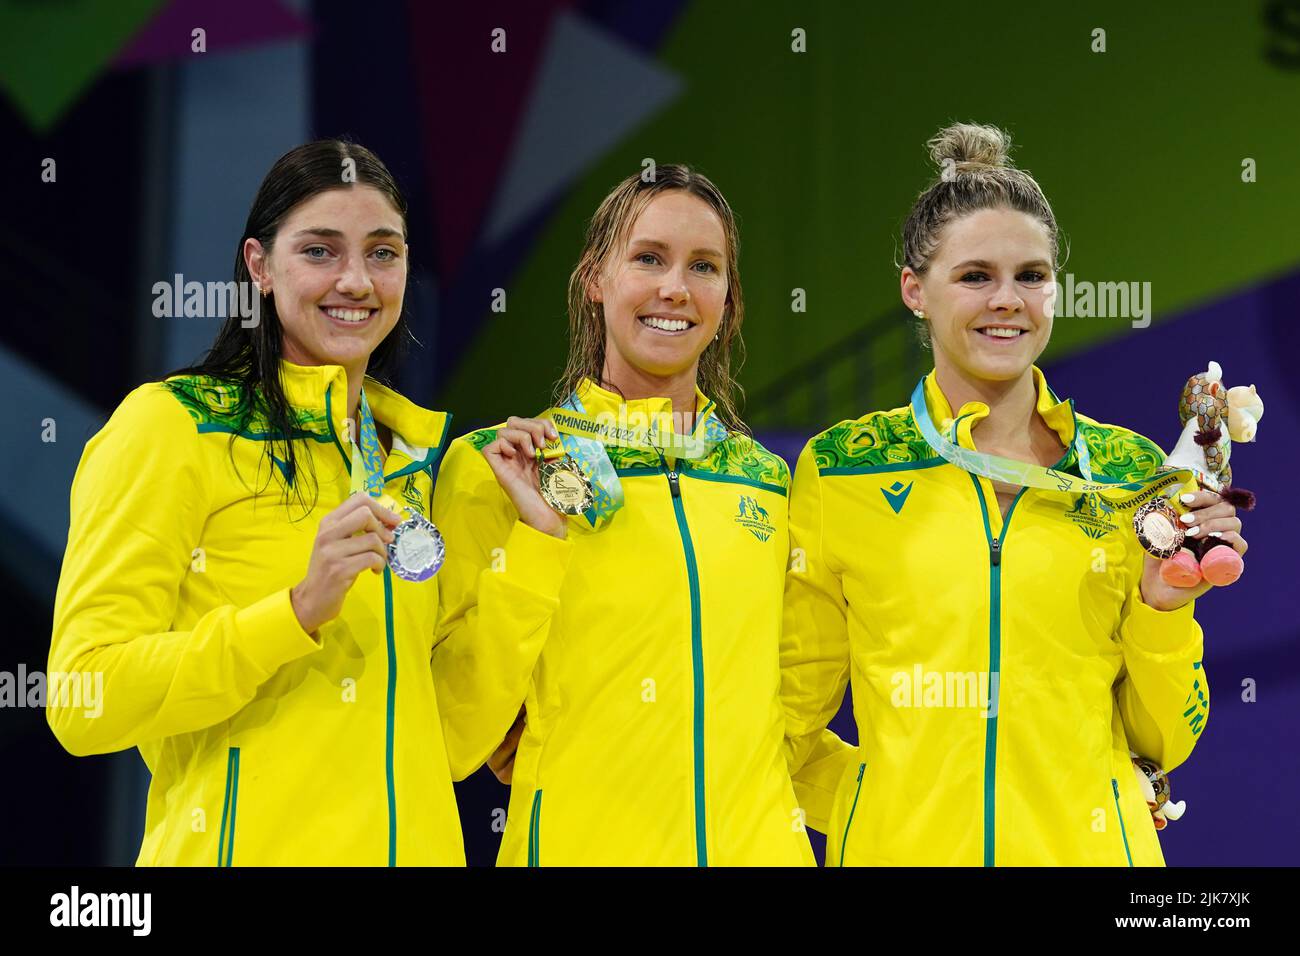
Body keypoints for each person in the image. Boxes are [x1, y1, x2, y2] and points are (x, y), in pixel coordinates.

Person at [781, 123, 1246, 866]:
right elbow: (789, 723)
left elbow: (1164, 741)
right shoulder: (843, 470)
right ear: (914, 290)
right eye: (975, 277)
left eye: (1031, 276)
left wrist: (1165, 608)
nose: (1008, 301)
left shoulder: (1130, 472)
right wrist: (884, 819)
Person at [48, 140, 510, 865]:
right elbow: (83, 699)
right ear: (260, 267)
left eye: (382, 253)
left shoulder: (416, 464)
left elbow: (448, 740)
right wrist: (293, 612)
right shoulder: (173, 426)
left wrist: (535, 547)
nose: (356, 280)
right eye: (320, 252)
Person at [431, 164, 839, 865]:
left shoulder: (771, 483)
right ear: (596, 278)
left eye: (704, 267)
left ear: (728, 298)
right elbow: (452, 733)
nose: (675, 288)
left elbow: (789, 716)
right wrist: (535, 543)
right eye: (648, 258)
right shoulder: (499, 470)